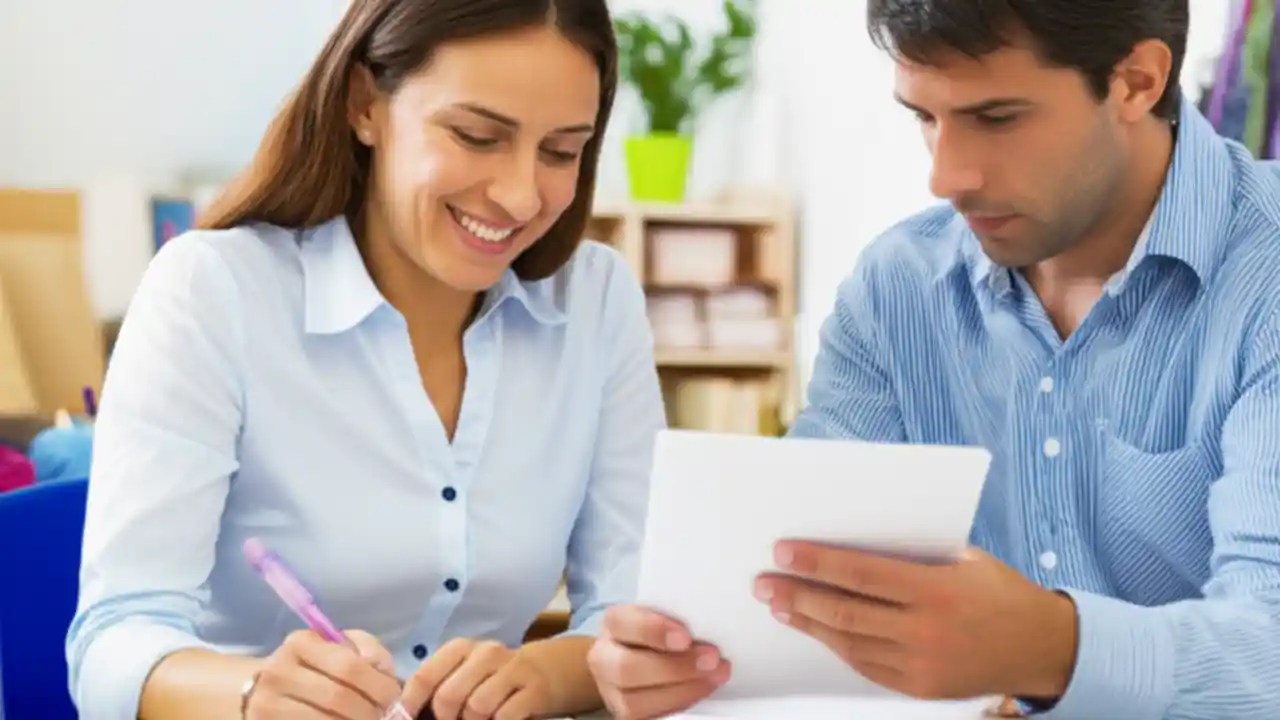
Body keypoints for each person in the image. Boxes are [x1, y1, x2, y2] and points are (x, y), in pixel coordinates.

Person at [589, 1, 1280, 718]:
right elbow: (798, 586)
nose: (946, 177)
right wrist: (674, 653)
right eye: (924, 117)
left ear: (1136, 81)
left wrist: (1053, 647)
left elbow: (1271, 647)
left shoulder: (1266, 275)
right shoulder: (898, 289)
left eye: (997, 117)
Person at [65, 1, 665, 719]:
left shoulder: (595, 301)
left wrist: (539, 676)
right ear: (364, 105)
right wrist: (255, 695)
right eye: (477, 136)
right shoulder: (214, 291)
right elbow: (112, 643)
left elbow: (636, 619)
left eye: (561, 151)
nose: (519, 194)